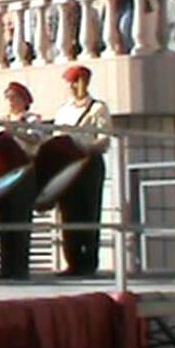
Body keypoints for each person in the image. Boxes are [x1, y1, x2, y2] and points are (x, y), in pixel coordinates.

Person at [55, 65, 111, 277]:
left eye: (75, 81)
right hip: (67, 162)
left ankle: (88, 263)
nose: (72, 86)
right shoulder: (64, 110)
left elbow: (104, 138)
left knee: (89, 211)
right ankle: (72, 261)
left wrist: (86, 148)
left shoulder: (98, 108)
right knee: (68, 212)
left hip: (89, 161)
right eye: (70, 82)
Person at [0, 82, 41, 280]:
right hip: (4, 170)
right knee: (3, 217)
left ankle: (20, 267)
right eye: (8, 97)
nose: (10, 101)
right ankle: (6, 266)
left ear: (23, 99)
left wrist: (15, 132)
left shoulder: (32, 119)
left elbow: (36, 139)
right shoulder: (2, 120)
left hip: (24, 168)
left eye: (14, 97)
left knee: (20, 217)